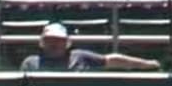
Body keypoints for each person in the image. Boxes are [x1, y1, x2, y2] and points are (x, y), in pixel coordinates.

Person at [19, 23, 164, 72]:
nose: (54, 44)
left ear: (68, 43)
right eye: (49, 40)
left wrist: (146, 64)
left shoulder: (80, 56)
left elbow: (112, 60)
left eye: (59, 40)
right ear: (41, 42)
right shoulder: (30, 63)